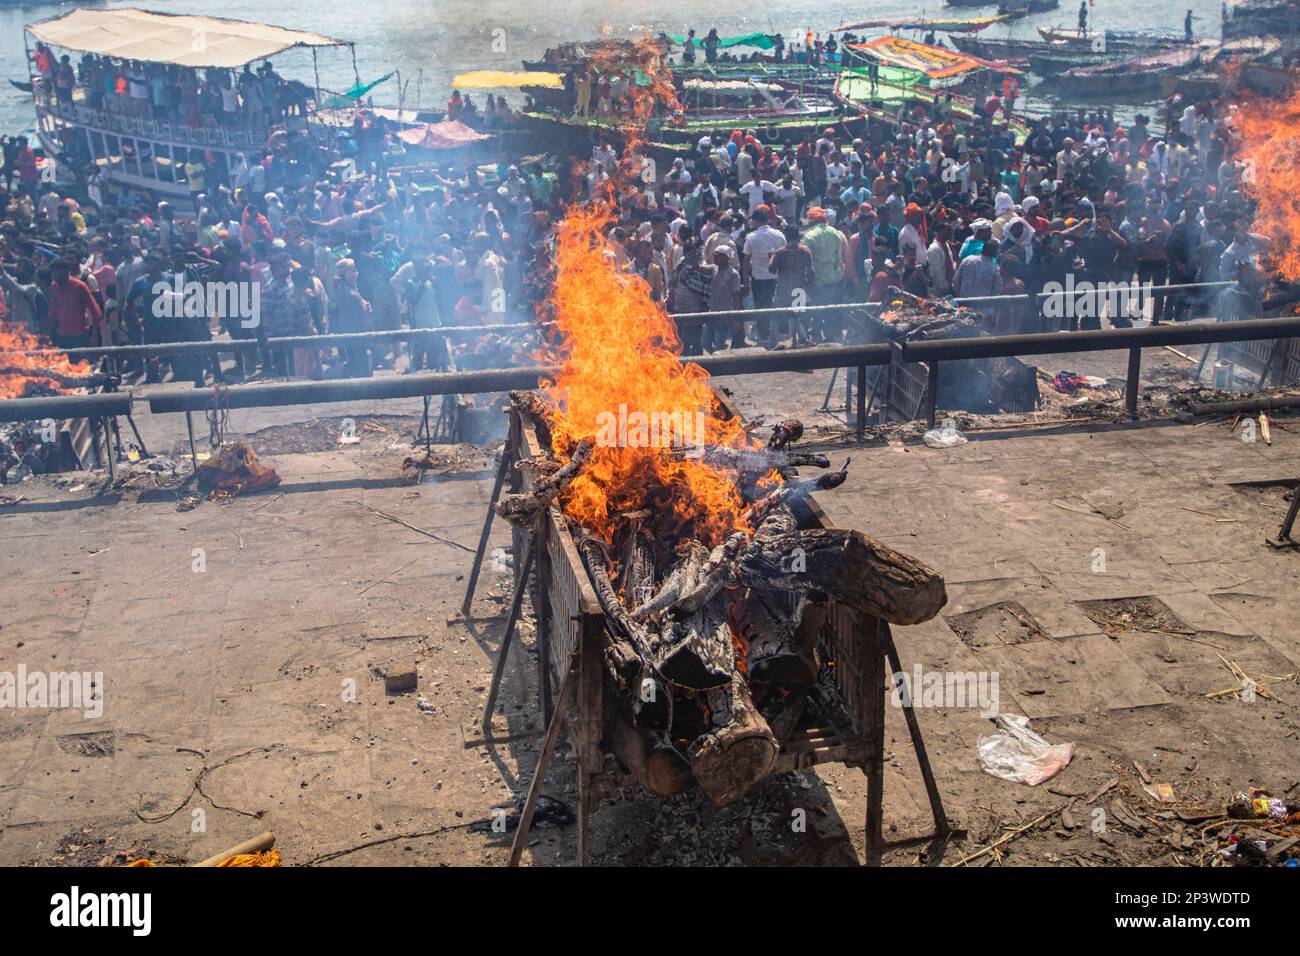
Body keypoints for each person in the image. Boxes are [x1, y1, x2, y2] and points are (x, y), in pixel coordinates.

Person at [46, 258, 101, 351]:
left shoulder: (80, 286)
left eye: (56, 272)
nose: (53, 275)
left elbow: (95, 311)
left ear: (65, 271)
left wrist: (94, 336)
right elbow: (52, 313)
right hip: (62, 335)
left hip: (80, 335)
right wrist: (50, 335)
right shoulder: (54, 286)